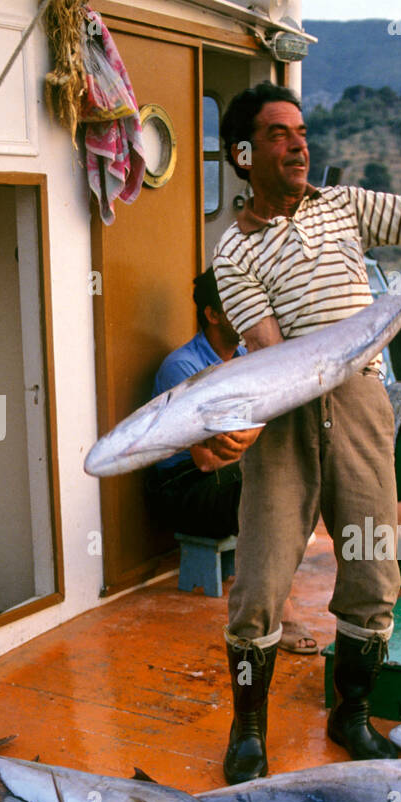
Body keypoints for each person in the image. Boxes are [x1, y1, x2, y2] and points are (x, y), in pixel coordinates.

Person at [212, 81, 401, 782]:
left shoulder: (344, 206)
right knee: (258, 583)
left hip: (358, 403)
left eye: (301, 132)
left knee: (374, 572)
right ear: (241, 153)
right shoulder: (231, 252)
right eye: (278, 135)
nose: (298, 144)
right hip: (286, 410)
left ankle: (349, 715)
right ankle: (249, 728)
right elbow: (270, 349)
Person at [144, 268, 317, 651]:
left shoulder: (243, 357)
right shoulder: (183, 367)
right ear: (213, 314)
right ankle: (280, 610)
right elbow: (205, 459)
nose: (250, 311)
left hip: (228, 473)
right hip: (184, 489)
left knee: (309, 455)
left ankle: (398, 518)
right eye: (238, 303)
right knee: (271, 477)